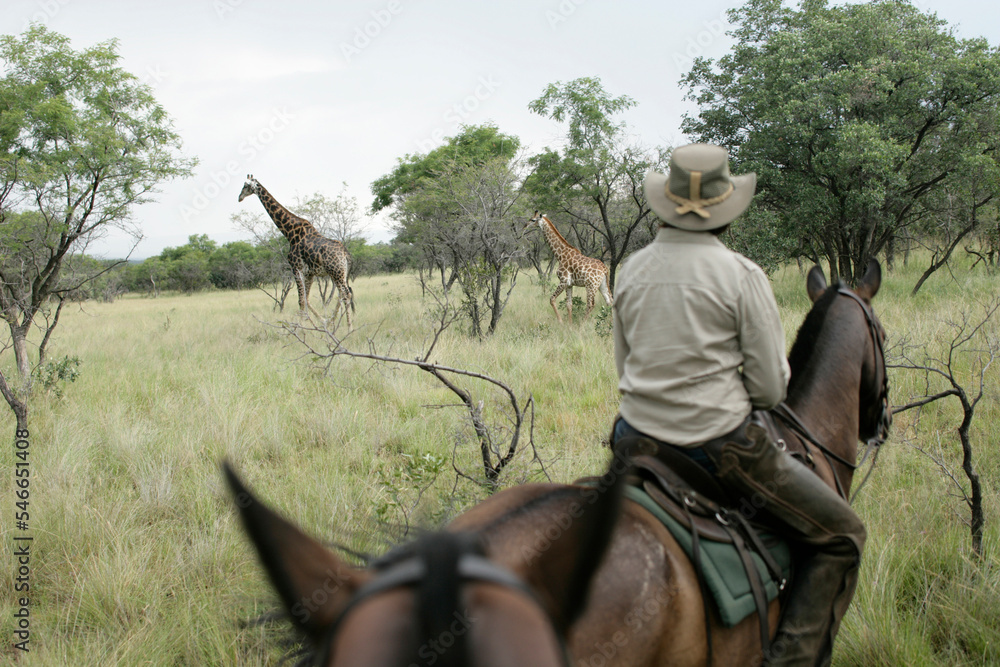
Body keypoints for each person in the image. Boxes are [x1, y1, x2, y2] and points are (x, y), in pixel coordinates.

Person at [611, 143, 865, 667]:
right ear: (726, 210)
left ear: (667, 203)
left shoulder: (631, 270)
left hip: (634, 442)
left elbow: (624, 367)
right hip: (720, 451)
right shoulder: (742, 275)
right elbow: (772, 391)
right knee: (842, 535)